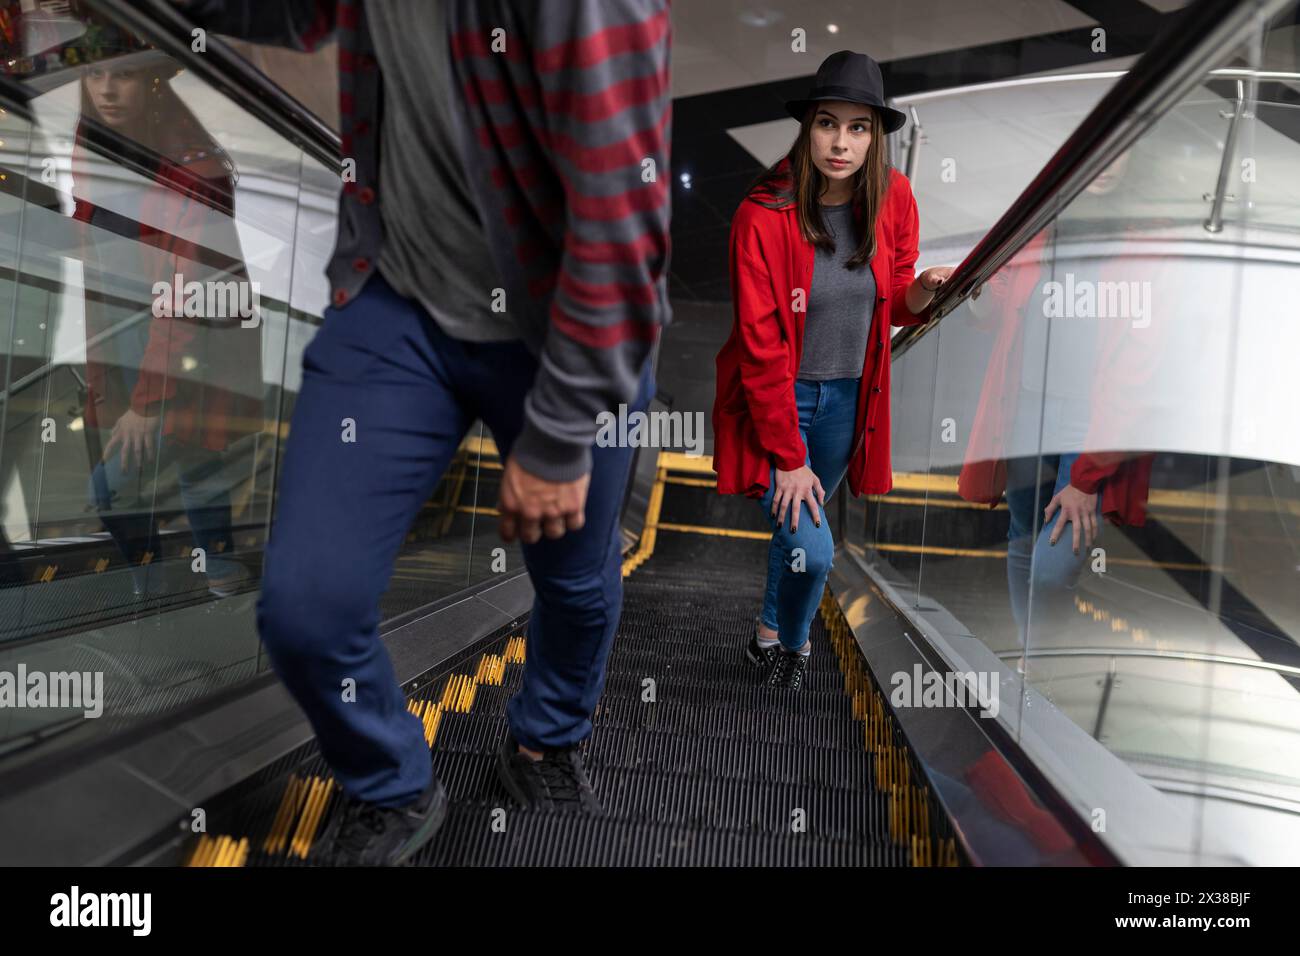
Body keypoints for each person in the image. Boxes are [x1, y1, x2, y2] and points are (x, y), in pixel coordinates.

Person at [173, 0, 671, 865]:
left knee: (578, 584)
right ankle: (392, 781)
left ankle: (547, 736)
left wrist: (557, 437)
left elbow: (624, 224)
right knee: (307, 607)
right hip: (399, 302)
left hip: (562, 330)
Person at [712, 51, 951, 690]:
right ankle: (793, 647)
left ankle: (765, 635)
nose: (840, 143)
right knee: (813, 547)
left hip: (849, 402)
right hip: (776, 404)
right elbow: (761, 347)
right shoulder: (761, 216)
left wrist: (925, 289)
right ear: (807, 128)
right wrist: (787, 457)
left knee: (795, 535)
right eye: (827, 123)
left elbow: (895, 298)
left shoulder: (893, 198)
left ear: (876, 136)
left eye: (858, 127)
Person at [69, 28, 262, 604]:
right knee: (192, 466)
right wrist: (105, 378)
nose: (107, 90)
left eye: (123, 75)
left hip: (186, 341)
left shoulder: (193, 170)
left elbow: (185, 294)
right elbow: (94, 272)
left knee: (112, 490)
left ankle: (161, 589)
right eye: (96, 75)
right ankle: (218, 574)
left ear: (152, 82)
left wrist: (147, 402)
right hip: (129, 336)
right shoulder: (93, 145)